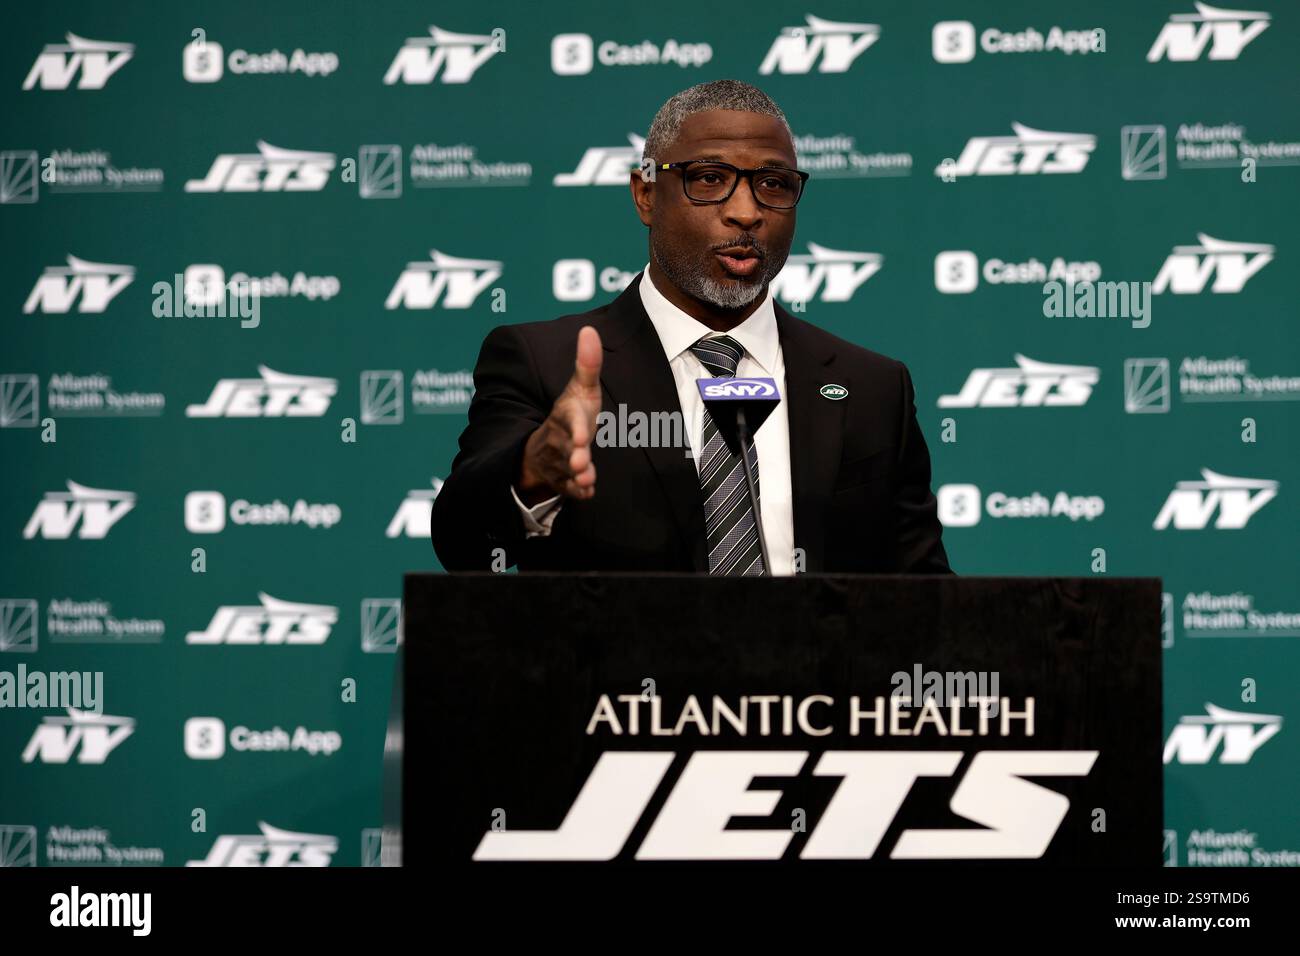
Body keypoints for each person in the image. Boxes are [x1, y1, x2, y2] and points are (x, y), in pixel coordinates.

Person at [431, 79, 951, 576]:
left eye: (773, 184)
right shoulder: (545, 363)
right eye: (709, 179)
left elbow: (925, 600)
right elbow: (463, 546)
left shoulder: (873, 387)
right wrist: (531, 475)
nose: (746, 212)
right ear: (646, 195)